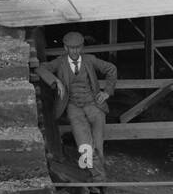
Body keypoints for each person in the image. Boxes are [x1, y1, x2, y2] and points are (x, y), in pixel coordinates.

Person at [36, 31, 118, 180]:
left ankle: (97, 178)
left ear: (82, 47)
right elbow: (41, 68)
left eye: (77, 47)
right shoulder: (59, 62)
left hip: (94, 105)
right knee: (84, 146)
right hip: (74, 108)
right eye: (71, 48)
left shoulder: (90, 60)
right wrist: (56, 81)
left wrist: (107, 92)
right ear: (65, 48)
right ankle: (100, 179)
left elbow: (111, 69)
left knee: (98, 146)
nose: (74, 51)